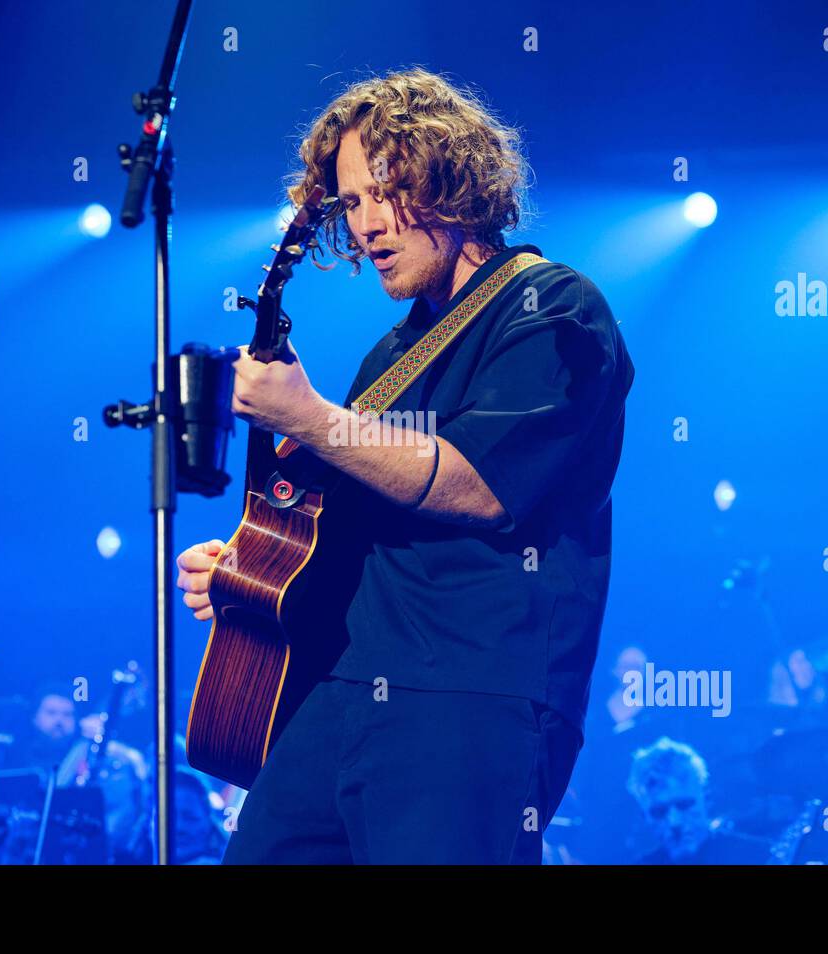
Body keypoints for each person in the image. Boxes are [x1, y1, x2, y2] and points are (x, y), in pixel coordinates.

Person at [176, 67, 634, 864]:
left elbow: (481, 486)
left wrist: (311, 417)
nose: (366, 225)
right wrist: (252, 574)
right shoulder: (391, 355)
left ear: (452, 179)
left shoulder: (553, 307)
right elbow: (346, 535)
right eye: (350, 203)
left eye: (385, 191)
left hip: (470, 695)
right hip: (345, 689)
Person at [627, 737, 770, 864]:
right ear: (645, 817)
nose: (674, 821)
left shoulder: (761, 858)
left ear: (706, 799)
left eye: (684, 805)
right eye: (659, 812)